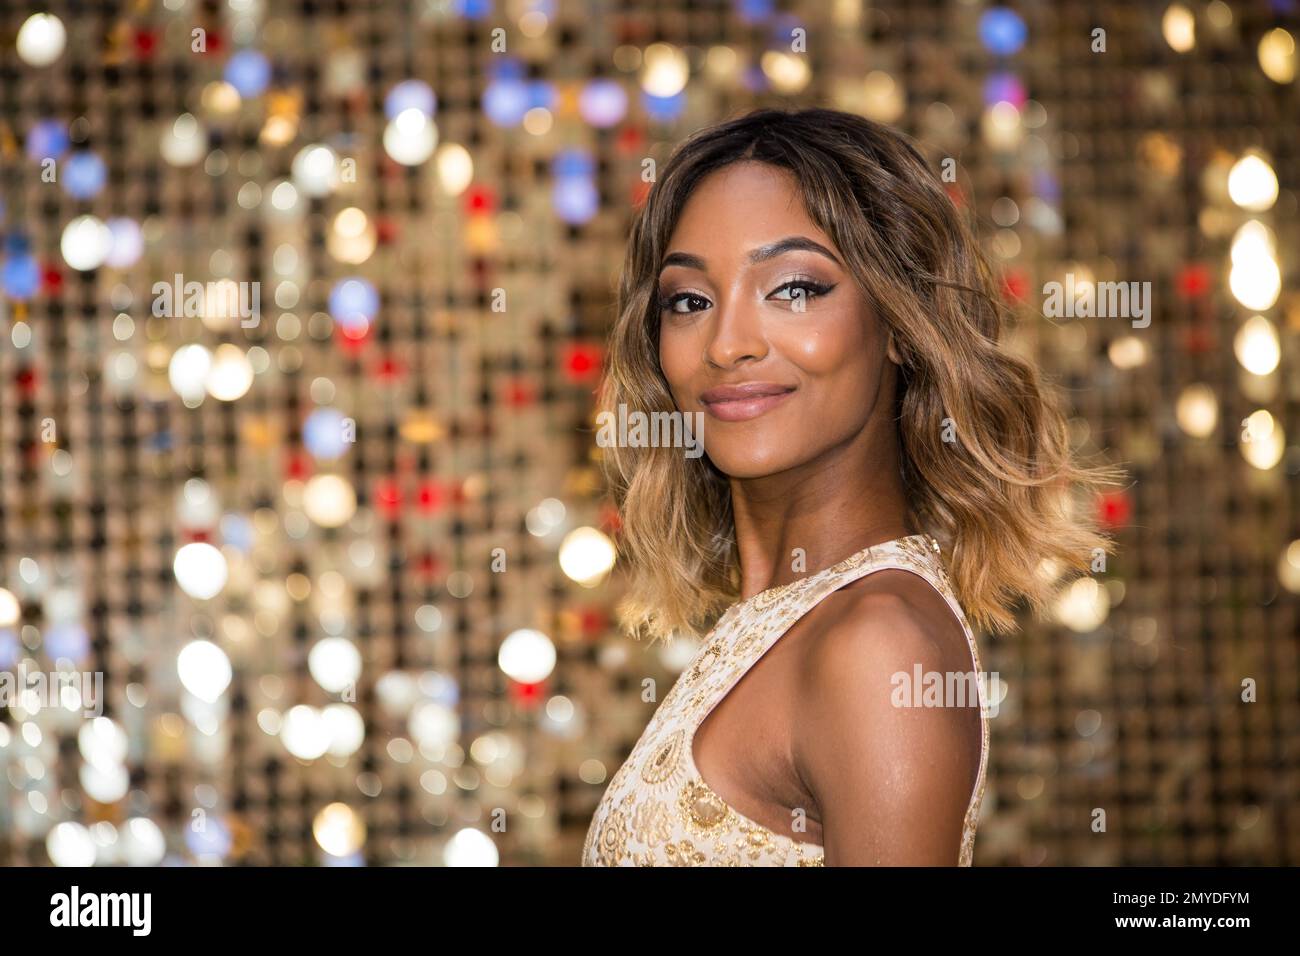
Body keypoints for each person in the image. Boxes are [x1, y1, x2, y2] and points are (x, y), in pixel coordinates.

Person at [582, 107, 1117, 866]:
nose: (728, 344)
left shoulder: (877, 646)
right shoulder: (778, 626)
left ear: (899, 322)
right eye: (690, 301)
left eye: (795, 289)